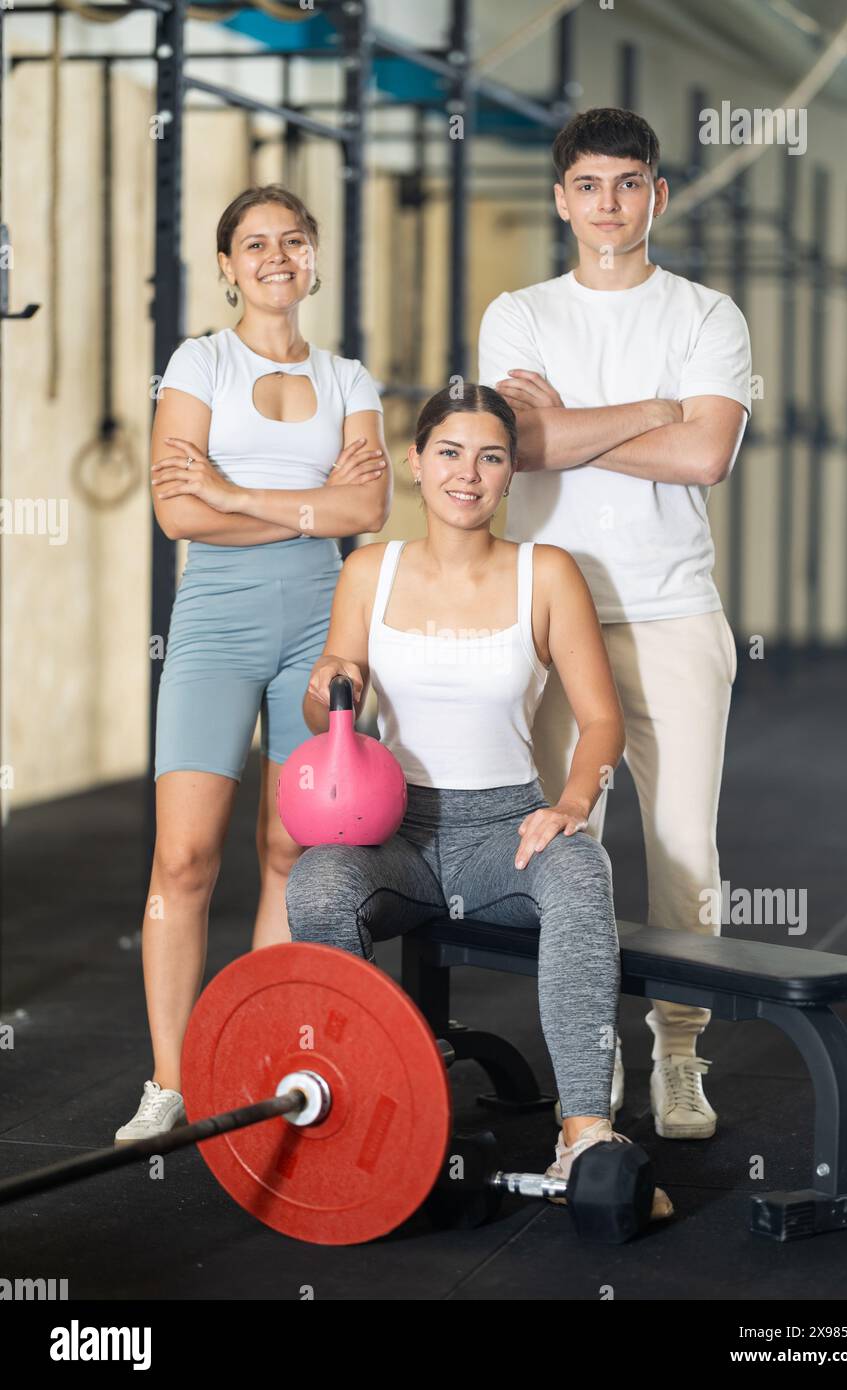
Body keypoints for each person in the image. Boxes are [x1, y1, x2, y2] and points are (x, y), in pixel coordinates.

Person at [284, 383, 672, 1217]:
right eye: (450, 453)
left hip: (505, 831)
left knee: (579, 872)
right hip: (398, 832)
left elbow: (601, 720)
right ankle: (361, 1115)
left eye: (490, 457)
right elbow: (329, 709)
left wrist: (570, 802)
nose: (469, 473)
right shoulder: (368, 568)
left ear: (508, 474)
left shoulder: (548, 573)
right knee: (316, 885)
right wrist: (328, 689)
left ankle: (582, 1131)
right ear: (416, 464)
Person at [478, 108, 751, 1140]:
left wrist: (574, 425)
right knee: (567, 853)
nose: (608, 203)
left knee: (685, 849)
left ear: (657, 196)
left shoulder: (707, 314)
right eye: (588, 184)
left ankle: (679, 1055)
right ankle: (590, 1066)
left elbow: (706, 456)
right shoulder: (519, 312)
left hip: (674, 611)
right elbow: (518, 446)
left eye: (628, 184)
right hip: (551, 617)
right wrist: (653, 410)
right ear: (561, 198)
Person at [116, 185, 392, 1142]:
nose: (276, 256)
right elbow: (175, 514)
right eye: (255, 243)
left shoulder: (353, 379)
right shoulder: (199, 362)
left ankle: (262, 1060)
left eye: (293, 240)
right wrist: (303, 498)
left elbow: (369, 517)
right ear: (228, 265)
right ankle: (167, 1083)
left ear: (313, 257)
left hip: (324, 618)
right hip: (215, 621)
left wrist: (235, 487)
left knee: (289, 850)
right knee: (183, 855)